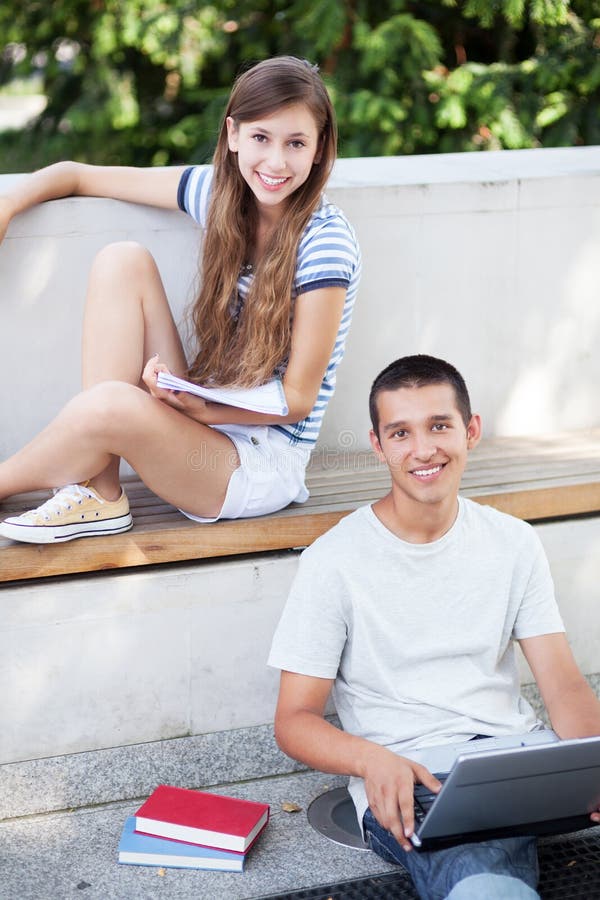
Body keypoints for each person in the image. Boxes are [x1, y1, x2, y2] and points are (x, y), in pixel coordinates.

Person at [268, 354, 600, 900]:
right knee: (482, 880)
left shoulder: (514, 542)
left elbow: (562, 683)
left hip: (514, 756)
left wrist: (590, 763)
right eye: (401, 432)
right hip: (410, 775)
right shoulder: (334, 562)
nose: (423, 449)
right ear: (378, 445)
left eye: (439, 426)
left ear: (470, 431)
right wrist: (371, 759)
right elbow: (293, 719)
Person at [0, 56, 360, 543]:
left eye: (296, 143)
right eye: (261, 138)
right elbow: (79, 175)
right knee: (122, 261)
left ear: (319, 151)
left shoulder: (325, 245)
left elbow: (296, 401)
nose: (275, 162)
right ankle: (100, 492)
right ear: (233, 134)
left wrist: (200, 410)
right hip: (206, 422)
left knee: (110, 405)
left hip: (258, 461)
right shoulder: (220, 196)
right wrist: (8, 206)